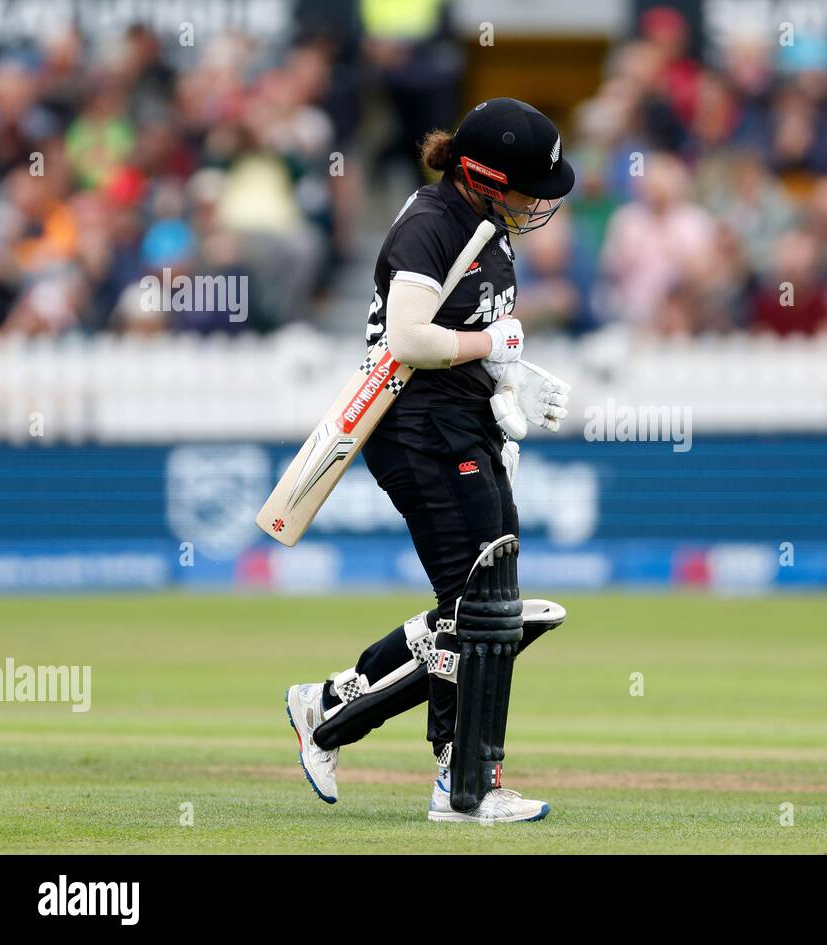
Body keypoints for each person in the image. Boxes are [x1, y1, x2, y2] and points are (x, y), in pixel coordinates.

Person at [285, 98, 574, 823]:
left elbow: (478, 331)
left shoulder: (489, 228)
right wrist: (493, 350)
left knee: (477, 606)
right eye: (529, 185)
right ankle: (461, 781)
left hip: (462, 422)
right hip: (416, 428)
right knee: (480, 612)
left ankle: (327, 706)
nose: (539, 199)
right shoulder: (430, 224)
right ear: (482, 174)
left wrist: (510, 387)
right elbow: (410, 339)